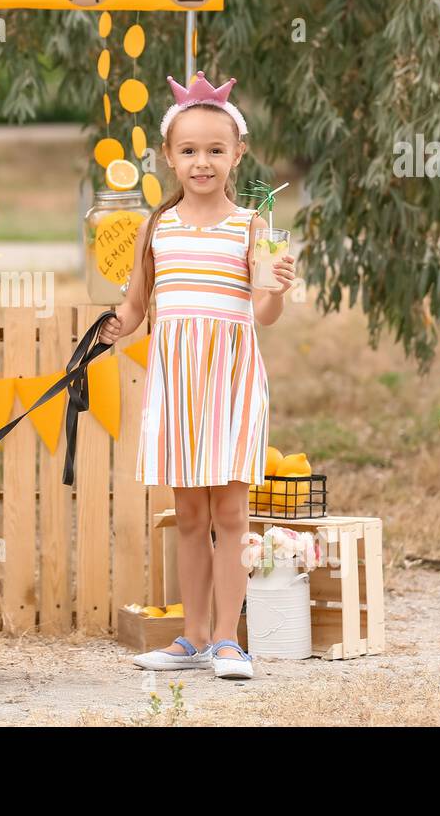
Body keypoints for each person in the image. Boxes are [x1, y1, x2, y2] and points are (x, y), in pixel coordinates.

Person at [97, 72, 295, 679]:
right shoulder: (157, 228)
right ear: (169, 158)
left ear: (238, 153)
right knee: (188, 515)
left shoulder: (252, 227)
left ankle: (231, 642)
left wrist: (279, 288)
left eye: (215, 149)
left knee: (232, 514)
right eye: (189, 151)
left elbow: (262, 312)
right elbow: (135, 305)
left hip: (231, 382)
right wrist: (111, 328)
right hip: (175, 384)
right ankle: (192, 638)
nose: (201, 162)